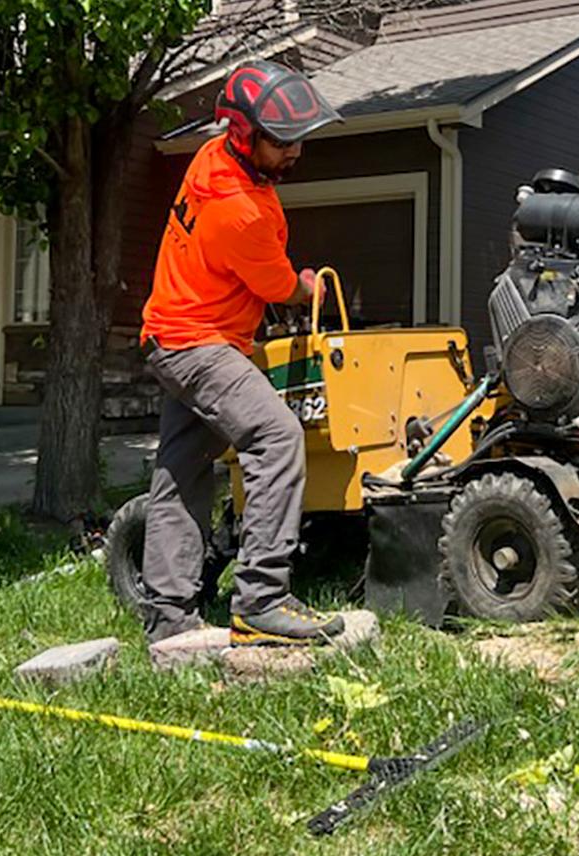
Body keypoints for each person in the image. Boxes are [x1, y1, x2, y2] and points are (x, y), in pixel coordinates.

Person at [139, 60, 345, 646]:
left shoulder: (210, 158)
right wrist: (311, 286)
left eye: (299, 138)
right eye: (283, 142)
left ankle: (169, 616)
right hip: (197, 343)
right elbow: (281, 287)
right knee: (276, 437)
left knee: (181, 472)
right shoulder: (240, 210)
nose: (296, 153)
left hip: (170, 334)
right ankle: (262, 598)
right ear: (242, 135)